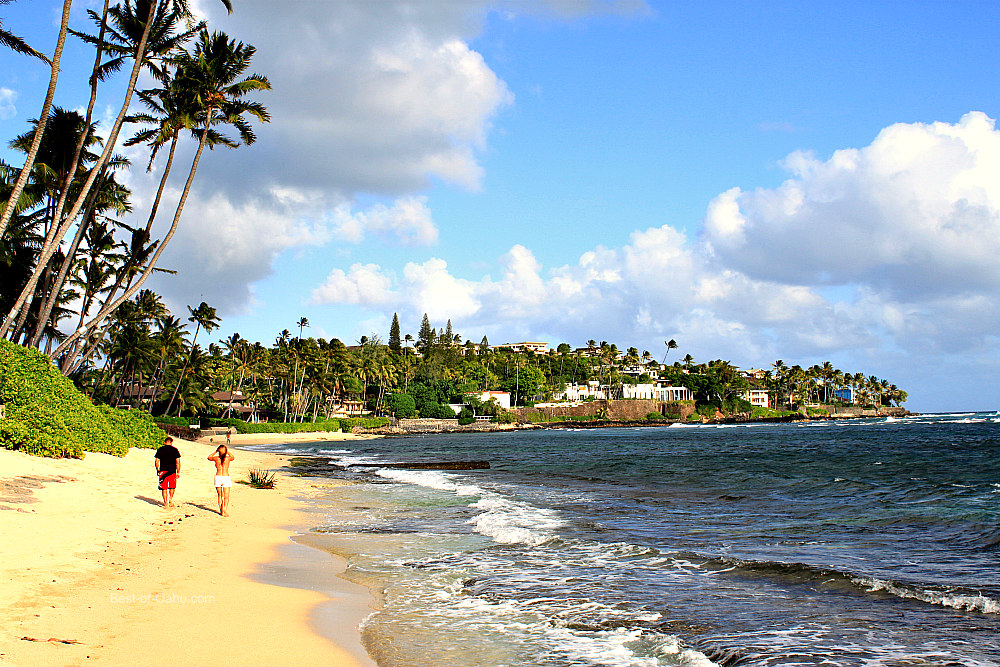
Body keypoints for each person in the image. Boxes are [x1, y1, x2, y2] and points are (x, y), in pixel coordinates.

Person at [154, 436, 181, 507]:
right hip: (172, 471)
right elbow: (178, 462)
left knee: (164, 487)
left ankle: (166, 502)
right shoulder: (175, 450)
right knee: (172, 486)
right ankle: (171, 499)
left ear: (164, 442)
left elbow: (156, 461)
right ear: (171, 442)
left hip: (163, 471)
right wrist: (178, 472)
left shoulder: (160, 449)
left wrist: (158, 470)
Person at [208, 444, 235, 517]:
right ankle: (224, 510)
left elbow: (209, 457)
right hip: (225, 477)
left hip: (218, 477)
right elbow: (233, 457)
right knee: (226, 495)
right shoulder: (227, 458)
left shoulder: (217, 458)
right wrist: (227, 451)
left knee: (220, 495)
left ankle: (221, 510)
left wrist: (215, 451)